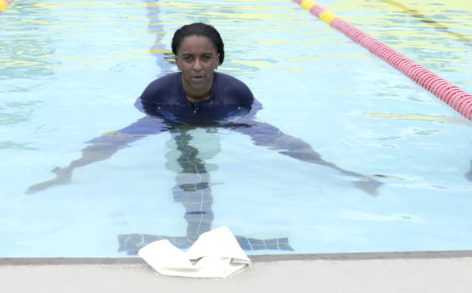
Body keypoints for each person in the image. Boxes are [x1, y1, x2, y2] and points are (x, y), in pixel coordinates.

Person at [28, 23, 381, 200]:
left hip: (225, 118)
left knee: (283, 142)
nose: (197, 67)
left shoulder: (236, 92)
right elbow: (134, 127)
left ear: (219, 59)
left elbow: (257, 123)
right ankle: (68, 172)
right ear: (177, 60)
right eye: (188, 58)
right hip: (170, 118)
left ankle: (341, 172)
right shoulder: (158, 93)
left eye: (206, 58)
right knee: (115, 140)